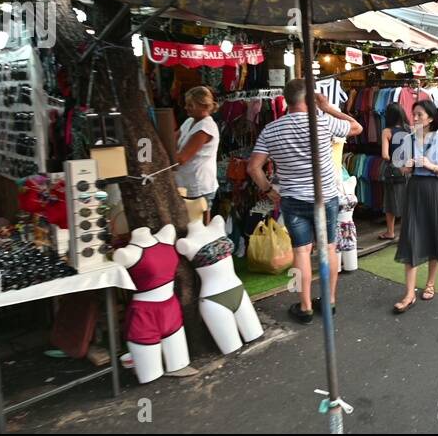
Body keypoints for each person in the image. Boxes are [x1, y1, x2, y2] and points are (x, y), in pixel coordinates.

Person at [247, 79, 363, 324]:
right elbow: (356, 127)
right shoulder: (322, 122)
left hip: (292, 199)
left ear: (287, 100)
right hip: (325, 197)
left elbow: (253, 167)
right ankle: (329, 301)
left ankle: (306, 305)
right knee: (328, 248)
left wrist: (268, 189)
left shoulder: (271, 129)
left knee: (301, 251)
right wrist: (328, 107)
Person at [393, 100, 438, 314]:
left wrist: (430, 165)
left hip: (435, 191)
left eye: (419, 115)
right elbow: (402, 170)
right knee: (411, 238)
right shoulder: (407, 140)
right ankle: (409, 294)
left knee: (435, 236)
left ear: (431, 119)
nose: (414, 118)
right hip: (414, 191)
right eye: (413, 114)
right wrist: (406, 168)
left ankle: (430, 284)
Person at [176, 86, 220, 225]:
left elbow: (182, 158)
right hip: (186, 182)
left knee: (198, 228)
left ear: (204, 106)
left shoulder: (205, 128)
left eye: (191, 105)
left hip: (199, 185)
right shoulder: (190, 121)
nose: (186, 107)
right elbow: (173, 138)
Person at [379, 103, 411, 241]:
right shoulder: (410, 130)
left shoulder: (387, 132)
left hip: (394, 170)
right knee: (407, 200)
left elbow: (385, 155)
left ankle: (390, 232)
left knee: (390, 201)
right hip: (409, 169)